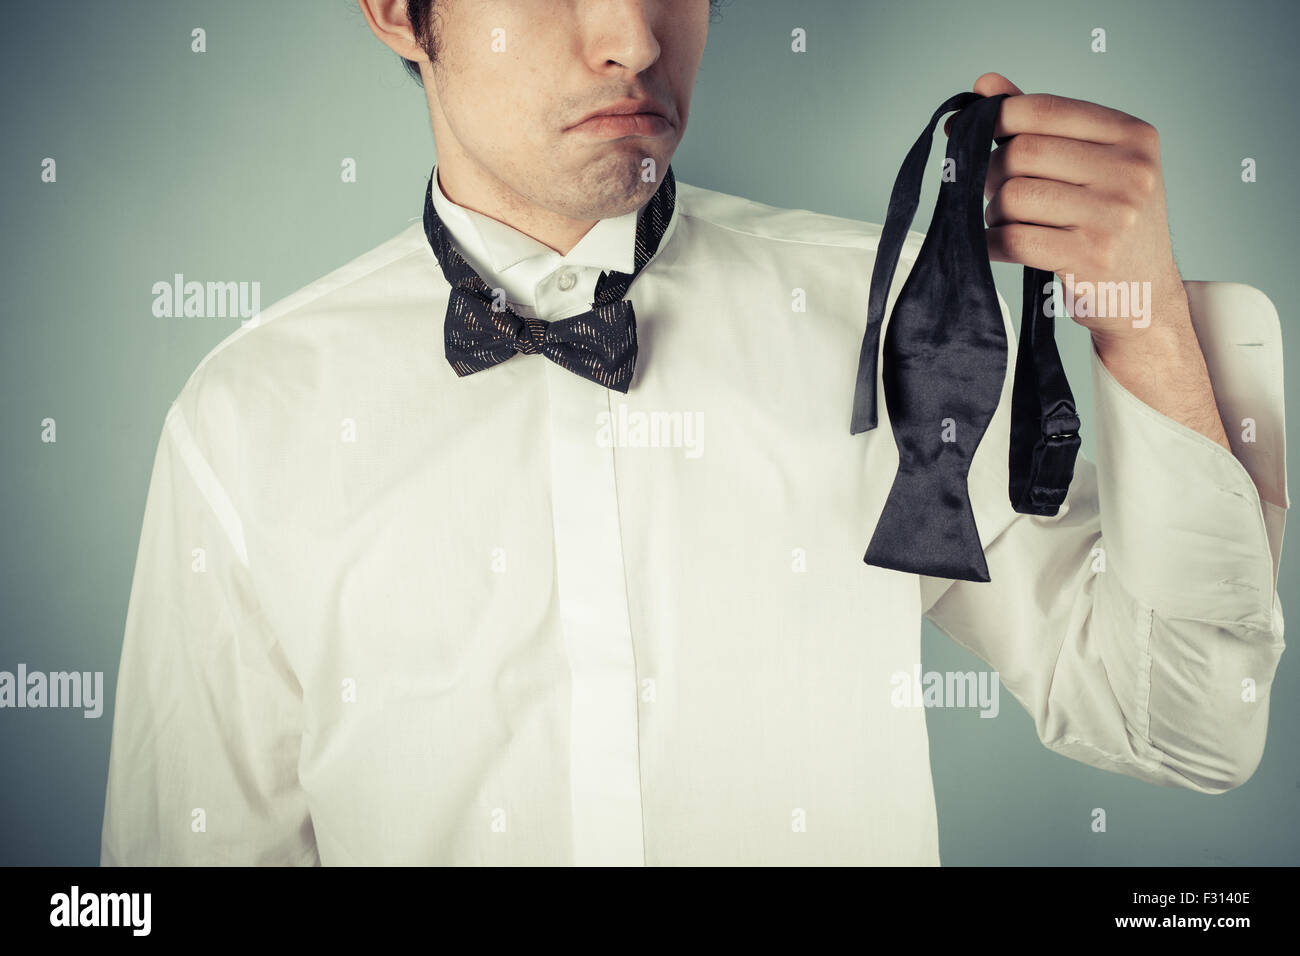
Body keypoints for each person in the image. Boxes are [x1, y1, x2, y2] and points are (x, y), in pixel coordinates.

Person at [100, 0, 1287, 865]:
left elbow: (1180, 719)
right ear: (396, 14)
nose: (632, 34)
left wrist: (1139, 319)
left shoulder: (884, 327)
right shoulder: (248, 417)